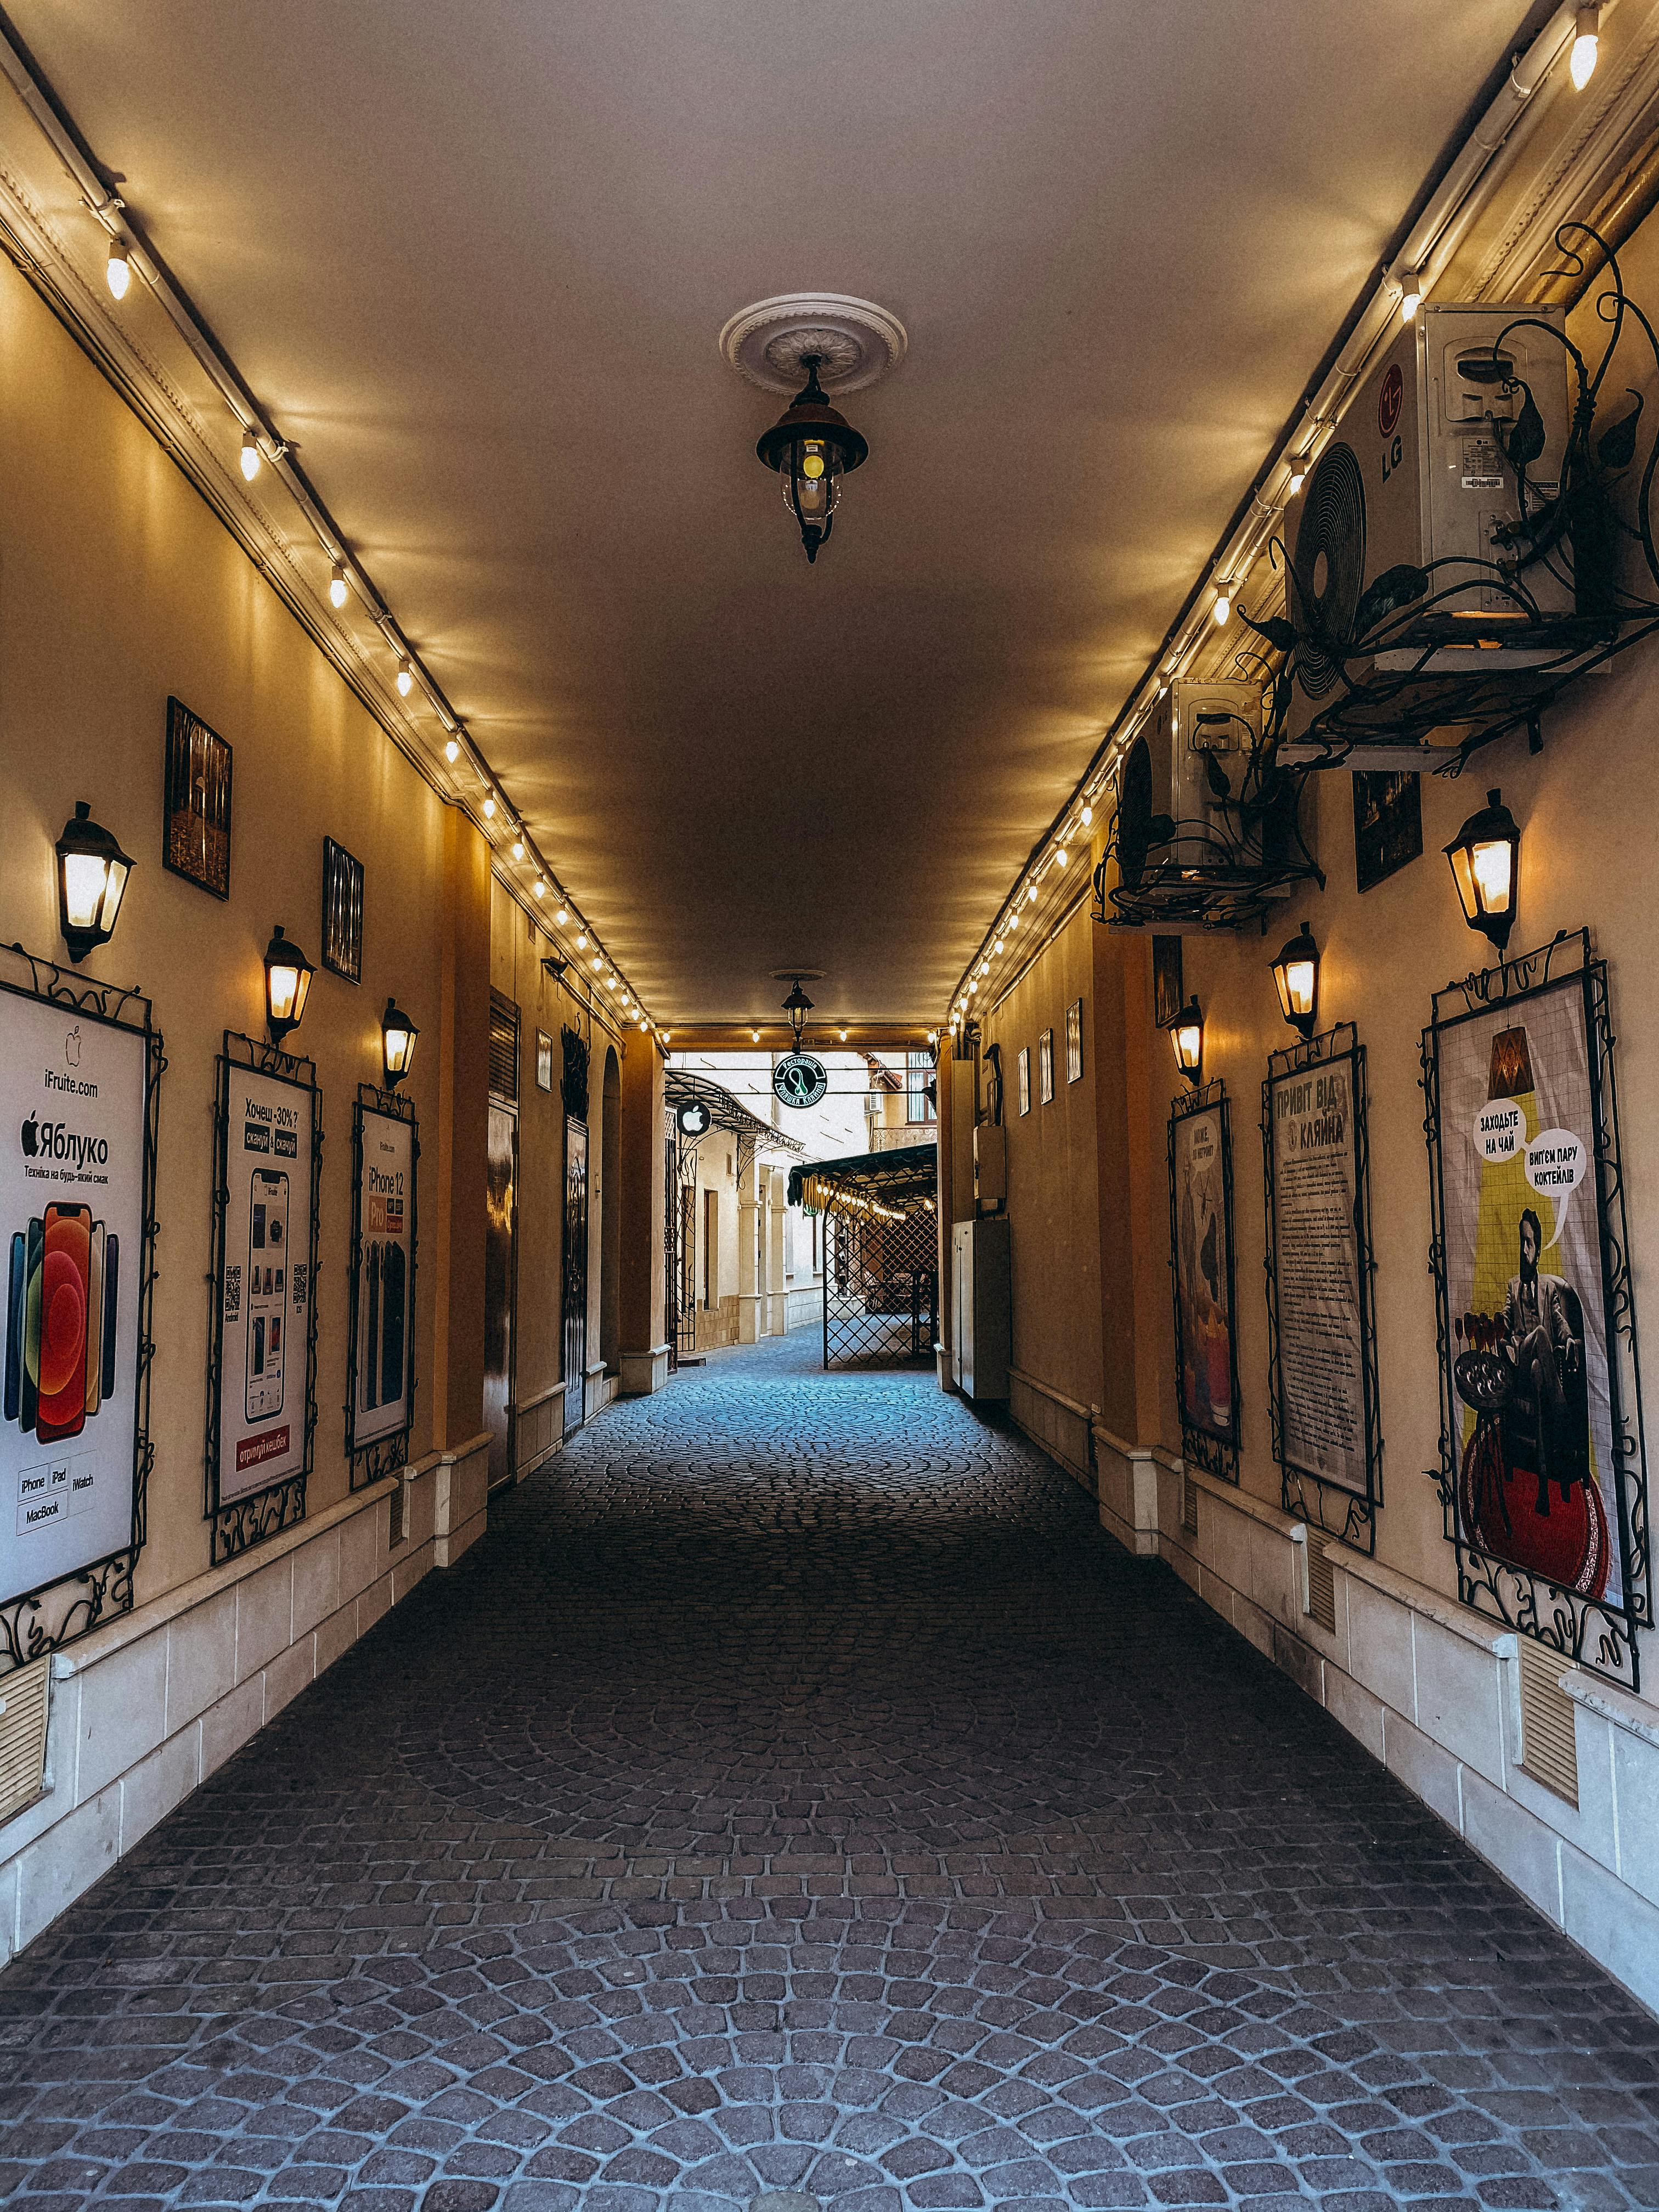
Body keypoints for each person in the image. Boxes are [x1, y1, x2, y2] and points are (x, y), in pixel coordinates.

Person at [1503, 1206, 1584, 1511]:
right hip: (1519, 1362)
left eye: (1530, 1243)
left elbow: (1560, 1321)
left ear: (1537, 1250)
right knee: (1537, 1334)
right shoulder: (1511, 1286)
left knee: (1541, 1366)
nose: (1525, 1249)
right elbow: (1505, 1319)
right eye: (1522, 1242)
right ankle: (1562, 1407)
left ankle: (1543, 1488)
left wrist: (1570, 1339)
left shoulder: (1550, 1288)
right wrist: (1501, 1333)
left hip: (1538, 1367)